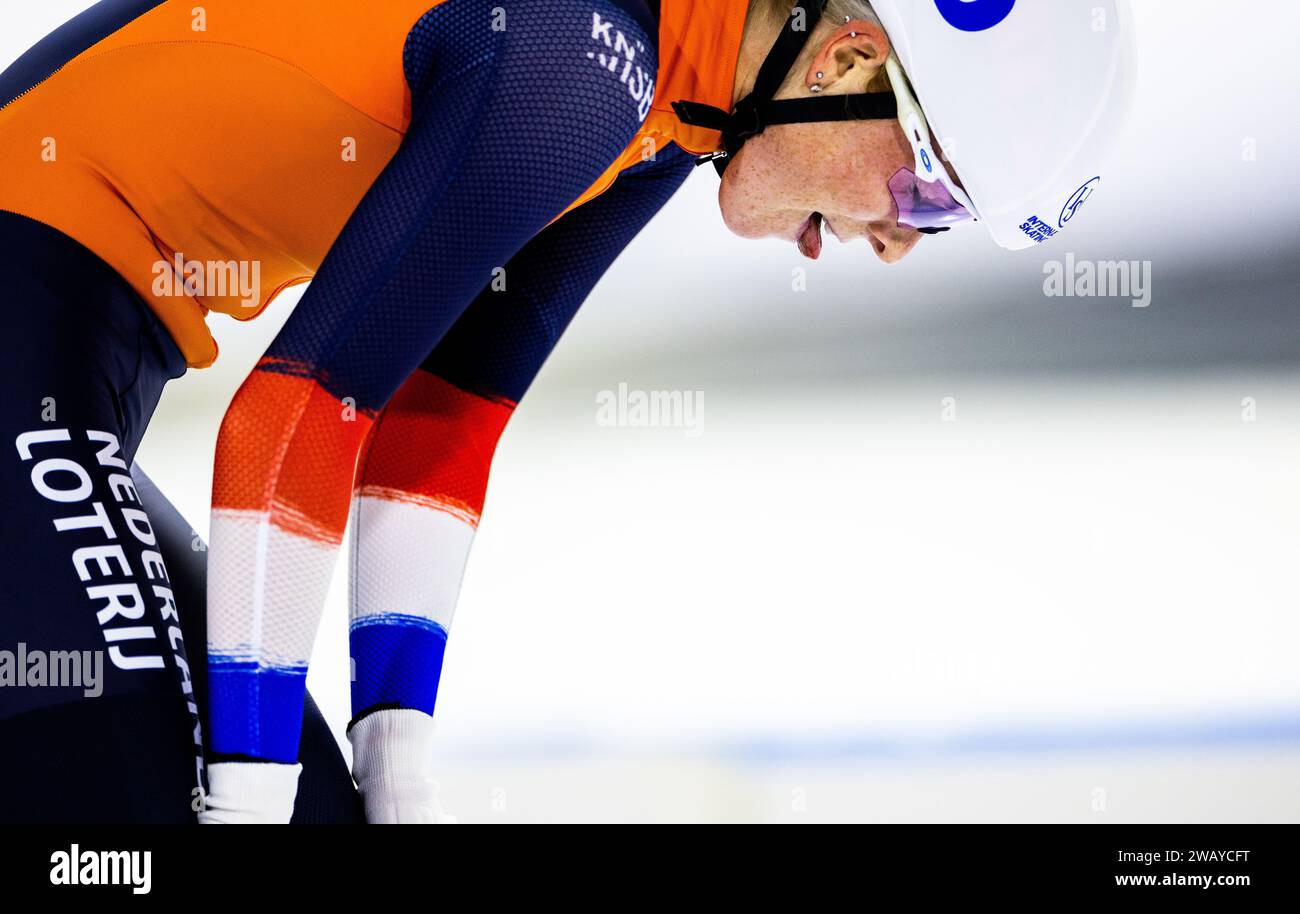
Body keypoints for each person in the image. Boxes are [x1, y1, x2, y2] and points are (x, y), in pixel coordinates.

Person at [0, 0, 1135, 823]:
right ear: (848, 54)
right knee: (134, 808)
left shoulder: (665, 112)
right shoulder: (584, 67)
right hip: (36, 303)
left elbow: (434, 438)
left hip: (64, 339)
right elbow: (285, 425)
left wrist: (401, 777)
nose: (895, 240)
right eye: (926, 191)